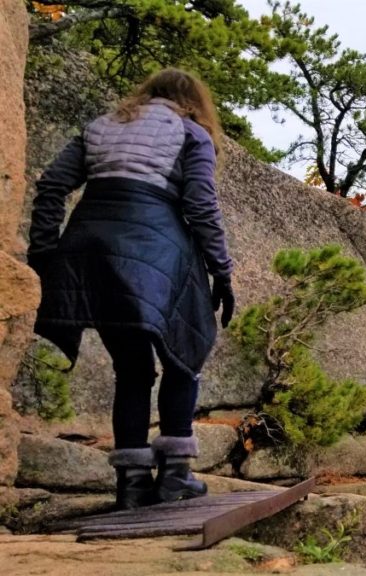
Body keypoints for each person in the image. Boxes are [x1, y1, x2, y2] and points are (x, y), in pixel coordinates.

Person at [27, 68, 235, 510]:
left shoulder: (101, 127)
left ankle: (133, 485)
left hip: (88, 255)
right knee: (184, 353)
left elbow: (51, 186)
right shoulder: (191, 133)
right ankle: (176, 475)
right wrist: (222, 270)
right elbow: (200, 205)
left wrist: (45, 254)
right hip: (156, 252)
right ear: (194, 102)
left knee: (133, 368)